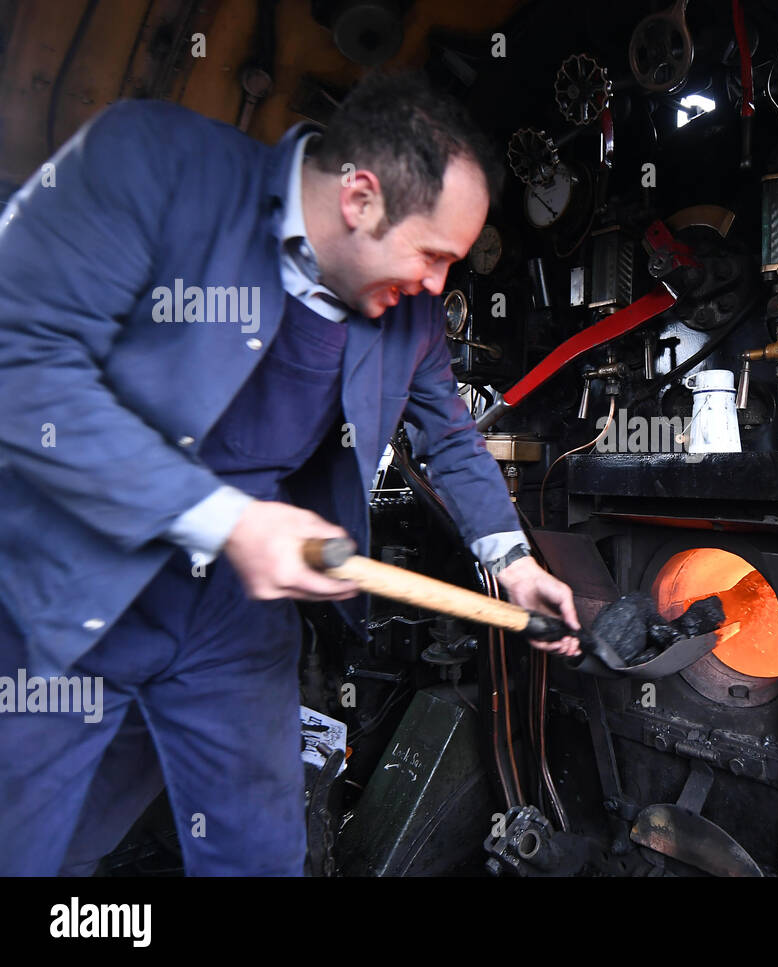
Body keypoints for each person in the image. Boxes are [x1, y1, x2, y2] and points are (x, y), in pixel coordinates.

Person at [0, 71, 580, 875]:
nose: (439, 285)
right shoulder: (153, 164)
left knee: (258, 852)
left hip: (235, 610)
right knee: (30, 841)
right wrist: (229, 519)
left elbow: (447, 428)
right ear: (361, 198)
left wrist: (512, 561)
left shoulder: (406, 308)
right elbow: (24, 370)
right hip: (70, 584)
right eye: (434, 255)